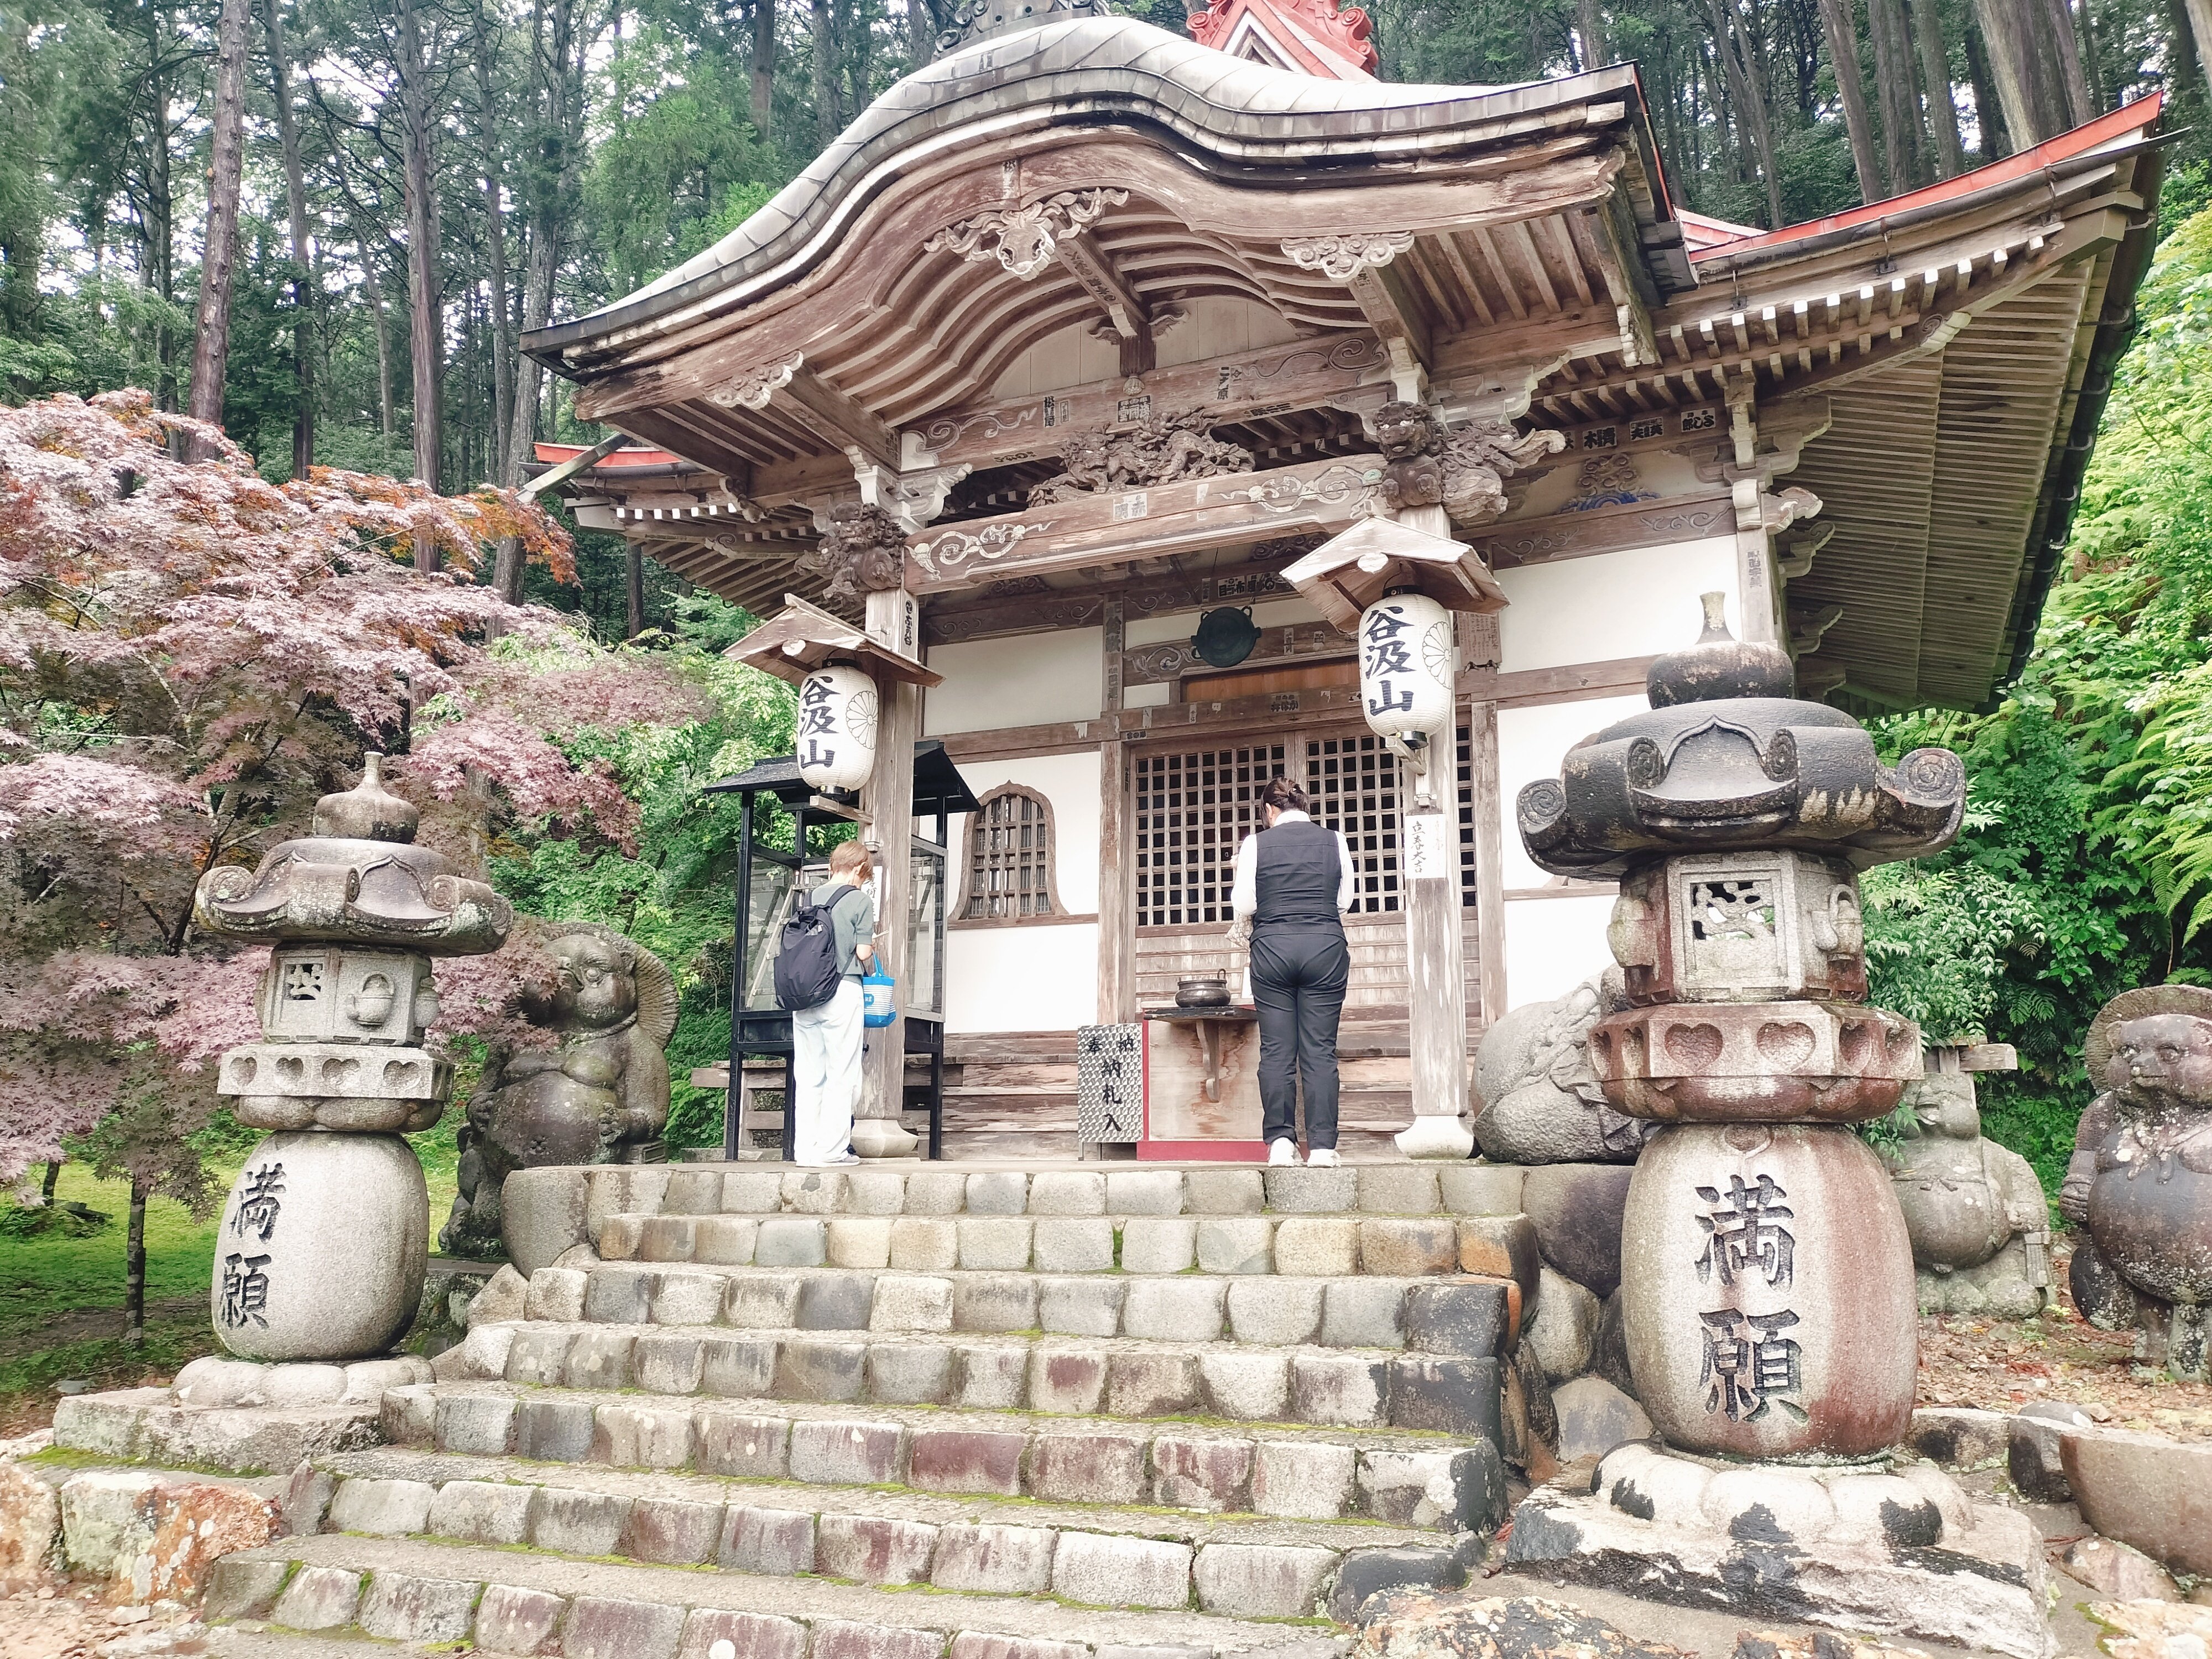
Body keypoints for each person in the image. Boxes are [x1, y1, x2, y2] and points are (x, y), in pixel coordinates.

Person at [1232, 775, 1357, 1167]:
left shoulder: (1255, 843)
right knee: (1320, 1050)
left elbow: (1246, 903)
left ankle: (1281, 1145)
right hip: (1324, 946)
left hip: (1273, 949)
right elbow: (1345, 900)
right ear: (1304, 808)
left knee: (1277, 1051)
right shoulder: (1335, 840)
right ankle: (1322, 1148)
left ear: (1269, 811)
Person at [791, 838, 877, 1166]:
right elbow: (862, 952)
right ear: (858, 868)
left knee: (810, 1075)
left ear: (832, 866)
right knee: (842, 1075)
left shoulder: (809, 897)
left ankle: (806, 1151)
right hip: (842, 992)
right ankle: (832, 1152)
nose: (861, 882)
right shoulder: (859, 900)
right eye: (863, 876)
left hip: (806, 994)